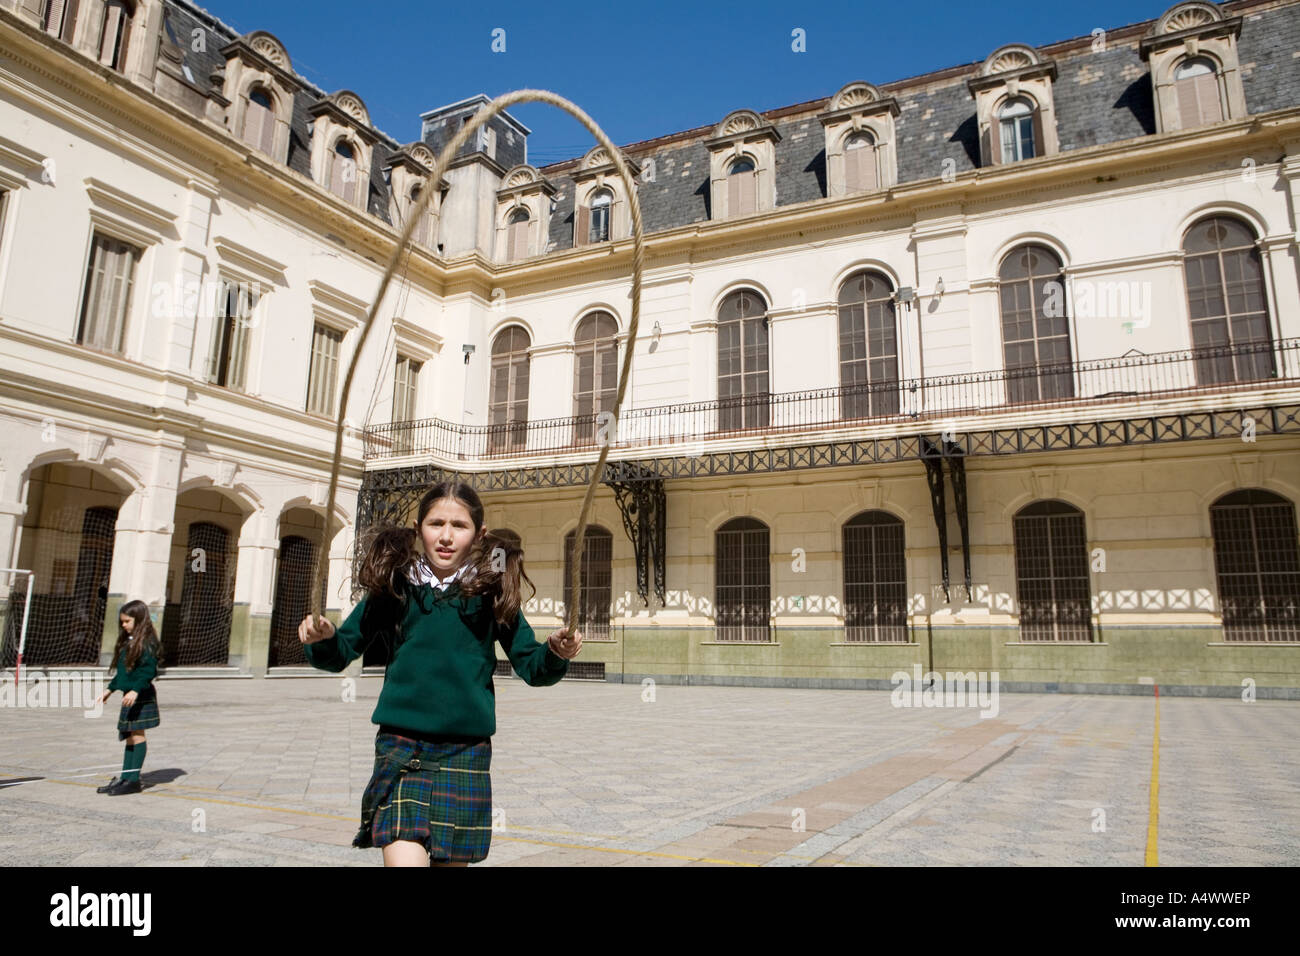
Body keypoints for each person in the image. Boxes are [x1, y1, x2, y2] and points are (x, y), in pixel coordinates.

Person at [300, 480, 582, 866]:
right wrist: (323, 639)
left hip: (465, 752)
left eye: (459, 526)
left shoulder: (492, 590)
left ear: (479, 535)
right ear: (419, 529)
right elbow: (341, 652)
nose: (446, 537)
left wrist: (555, 652)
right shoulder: (396, 585)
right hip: (401, 749)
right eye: (435, 524)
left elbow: (533, 668)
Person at [96, 600, 161, 795]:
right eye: (122, 621)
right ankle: (125, 777)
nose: (123, 625)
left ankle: (133, 780)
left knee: (137, 735)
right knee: (129, 736)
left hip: (140, 696)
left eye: (127, 621)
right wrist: (110, 689)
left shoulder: (147, 642)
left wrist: (135, 690)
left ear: (139, 619)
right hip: (130, 695)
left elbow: (148, 671)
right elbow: (124, 672)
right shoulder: (129, 640)